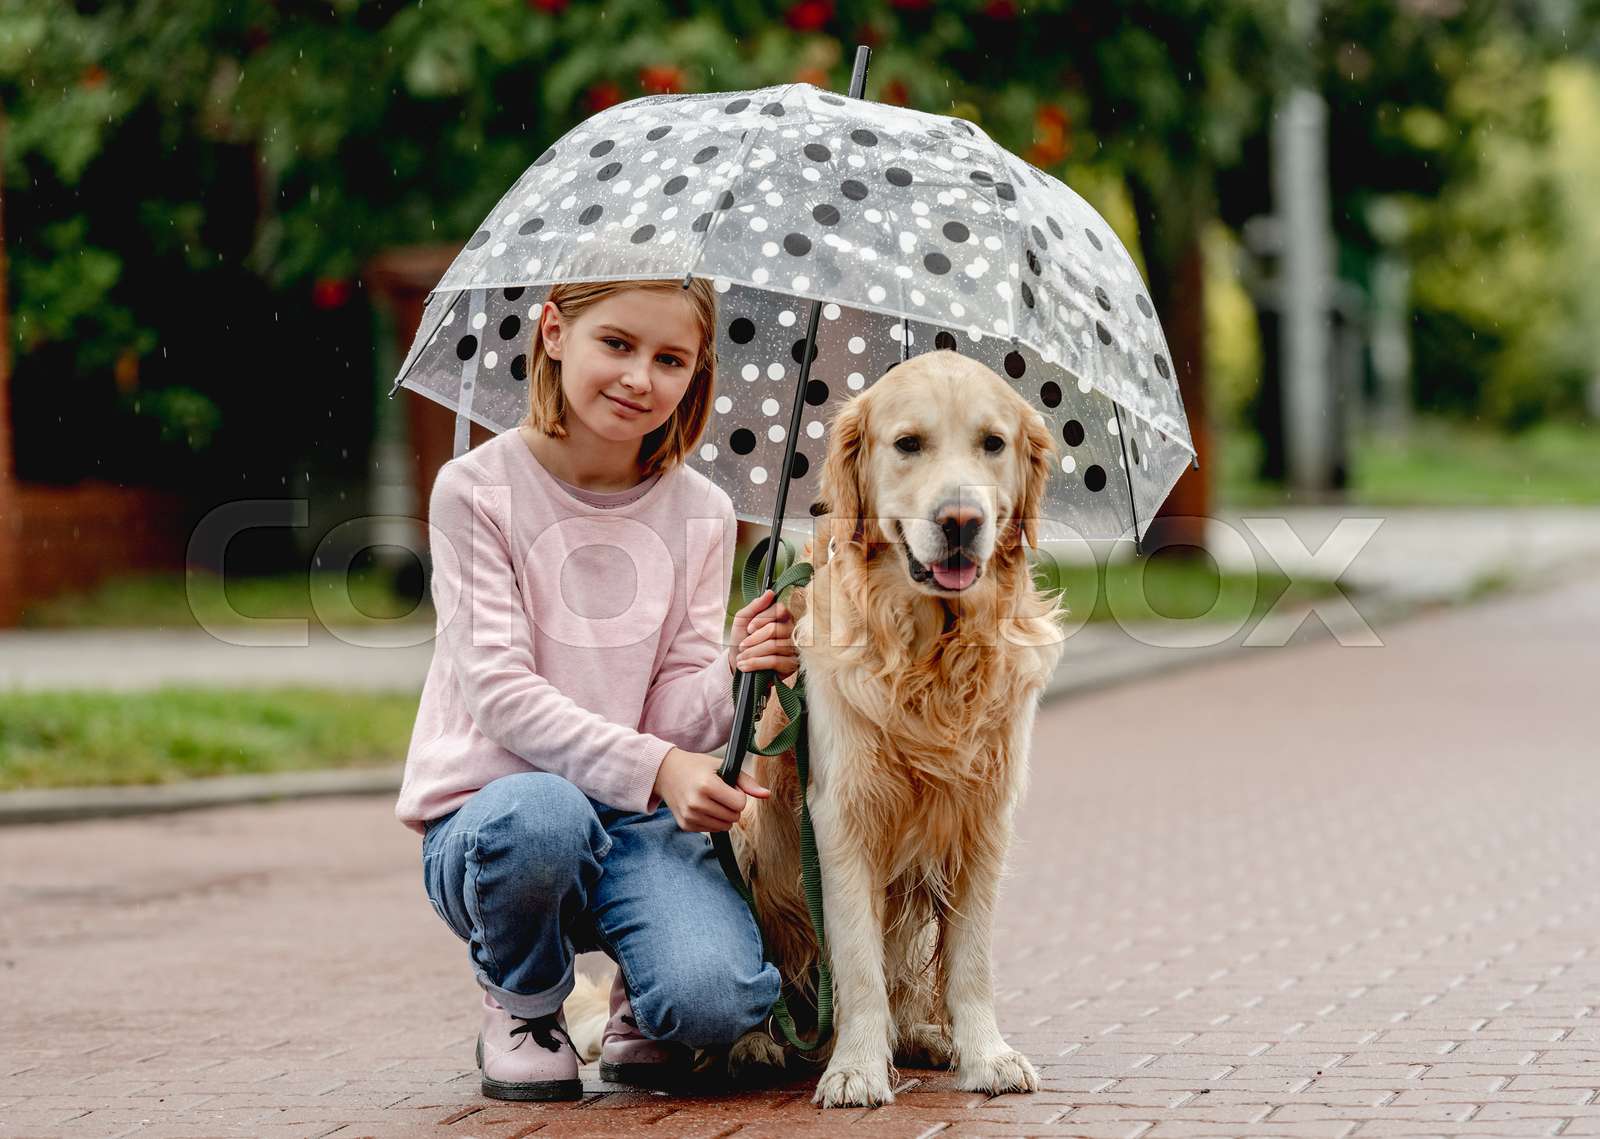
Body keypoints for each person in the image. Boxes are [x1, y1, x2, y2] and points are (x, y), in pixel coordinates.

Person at [396, 277, 798, 1101]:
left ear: (696, 372)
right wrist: (659, 768)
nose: (640, 378)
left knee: (715, 1002)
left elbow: (673, 707)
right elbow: (501, 694)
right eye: (616, 344)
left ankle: (640, 997)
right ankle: (524, 1001)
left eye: (670, 359)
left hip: (633, 823)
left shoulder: (704, 509)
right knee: (543, 814)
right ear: (553, 332)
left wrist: (737, 671)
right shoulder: (474, 488)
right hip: (496, 815)